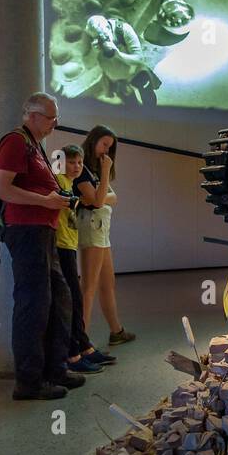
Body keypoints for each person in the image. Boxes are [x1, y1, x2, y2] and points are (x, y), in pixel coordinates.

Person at [0, 92, 86, 400]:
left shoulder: (35, 146)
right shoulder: (15, 142)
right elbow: (2, 188)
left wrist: (55, 200)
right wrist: (45, 200)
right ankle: (29, 380)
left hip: (44, 232)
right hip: (26, 232)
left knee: (58, 298)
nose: (55, 123)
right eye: (50, 117)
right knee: (33, 305)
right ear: (32, 115)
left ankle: (54, 368)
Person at [54, 144, 115, 372]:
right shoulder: (60, 182)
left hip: (69, 242)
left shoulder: (70, 183)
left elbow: (109, 198)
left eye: (80, 163)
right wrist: (106, 169)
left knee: (77, 296)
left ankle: (84, 346)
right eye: (72, 162)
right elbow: (100, 200)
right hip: (61, 244)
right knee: (75, 296)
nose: (77, 167)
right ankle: (73, 355)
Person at [75, 124, 135, 348]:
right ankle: (82, 342)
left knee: (107, 283)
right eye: (104, 145)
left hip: (100, 228)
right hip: (91, 226)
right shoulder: (82, 168)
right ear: (93, 141)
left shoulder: (93, 169)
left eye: (110, 148)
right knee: (88, 287)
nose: (106, 152)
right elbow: (99, 199)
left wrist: (103, 192)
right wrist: (104, 180)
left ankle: (116, 331)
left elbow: (110, 196)